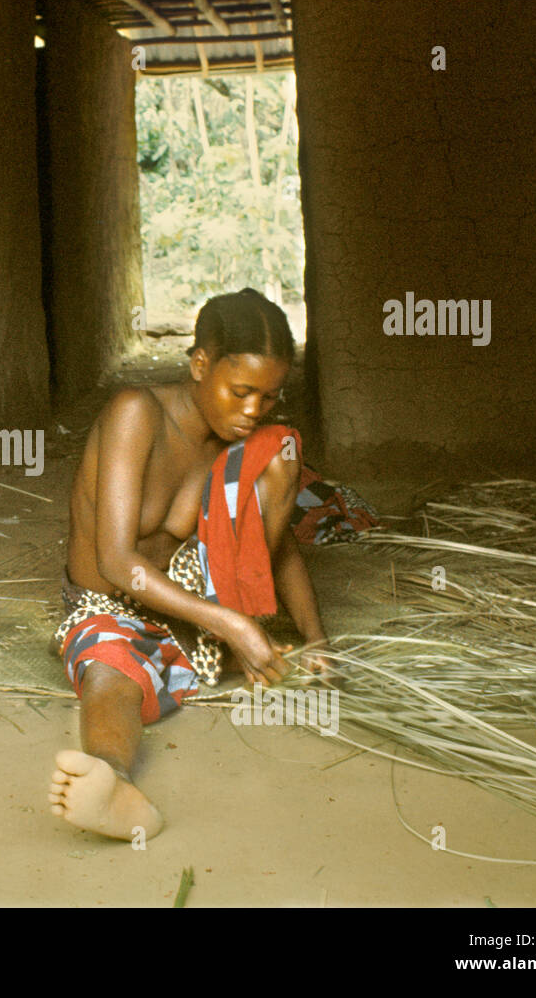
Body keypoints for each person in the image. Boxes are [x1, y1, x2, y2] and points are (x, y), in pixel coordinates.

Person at [47, 288, 336, 841]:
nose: (253, 411)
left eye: (269, 397)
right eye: (241, 391)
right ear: (200, 364)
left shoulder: (237, 447)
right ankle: (112, 779)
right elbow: (114, 560)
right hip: (110, 603)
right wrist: (230, 625)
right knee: (111, 670)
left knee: (280, 456)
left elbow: (281, 548)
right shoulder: (137, 414)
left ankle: (233, 646)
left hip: (196, 606)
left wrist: (317, 637)